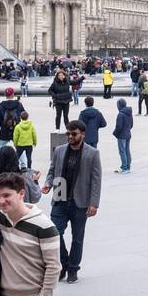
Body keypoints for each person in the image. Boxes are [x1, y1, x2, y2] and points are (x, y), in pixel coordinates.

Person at [42, 120, 102, 284]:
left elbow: (96, 180)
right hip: (60, 198)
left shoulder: (92, 153)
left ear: (82, 134)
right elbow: (52, 170)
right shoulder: (59, 150)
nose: (69, 136)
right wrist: (48, 183)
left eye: (73, 134)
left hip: (80, 202)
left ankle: (73, 269)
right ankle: (64, 264)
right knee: (54, 233)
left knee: (77, 237)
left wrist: (94, 203)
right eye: (68, 133)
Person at [0, 87, 24, 158]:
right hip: (16, 129)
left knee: (0, 148)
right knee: (20, 149)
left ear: (5, 94)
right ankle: (23, 165)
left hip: (4, 129)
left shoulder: (1, 105)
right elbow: (23, 115)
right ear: (13, 94)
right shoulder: (18, 104)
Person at [113, 98, 134, 173]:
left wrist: (115, 133)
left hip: (122, 135)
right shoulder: (129, 113)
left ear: (119, 105)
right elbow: (131, 125)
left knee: (122, 151)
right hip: (128, 133)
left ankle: (124, 167)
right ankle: (128, 166)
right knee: (127, 150)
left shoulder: (120, 114)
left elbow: (119, 126)